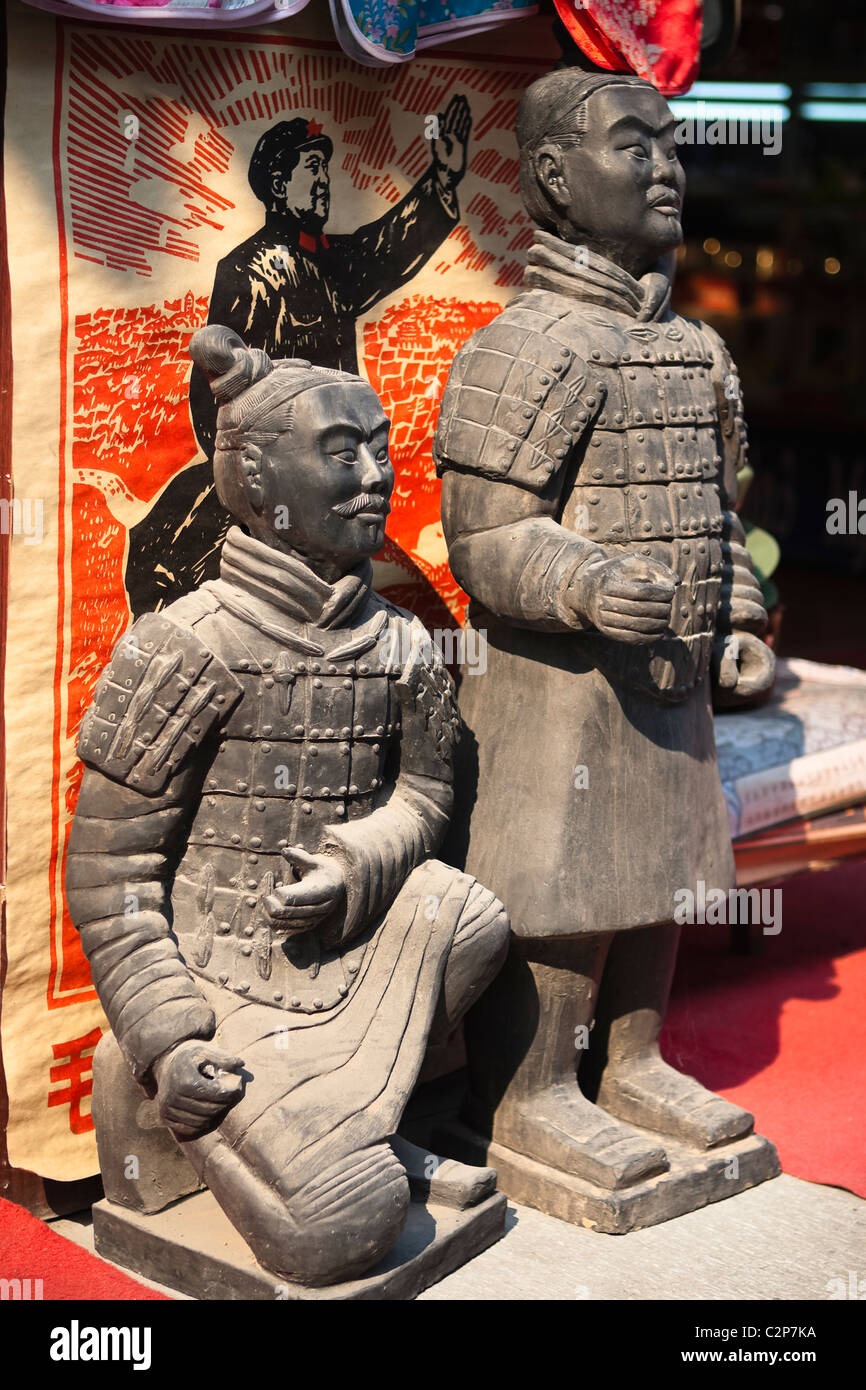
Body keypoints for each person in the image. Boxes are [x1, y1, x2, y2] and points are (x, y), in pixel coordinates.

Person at [67, 326, 508, 1286]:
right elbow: (109, 874)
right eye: (338, 453)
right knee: (345, 1229)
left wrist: (367, 857)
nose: (375, 475)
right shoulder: (184, 646)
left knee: (465, 912)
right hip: (219, 996)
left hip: (347, 970)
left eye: (381, 447)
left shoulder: (396, 641)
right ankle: (194, 1109)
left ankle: (352, 1126)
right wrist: (170, 1038)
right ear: (259, 486)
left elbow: (430, 794)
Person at [433, 70, 776, 1198]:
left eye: (671, 145)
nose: (666, 166)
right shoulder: (522, 345)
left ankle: (632, 1062)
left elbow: (716, 511)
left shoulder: (696, 350)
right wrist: (580, 580)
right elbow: (480, 538)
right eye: (634, 147)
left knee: (664, 872)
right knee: (565, 886)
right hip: (554, 694)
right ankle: (528, 1092)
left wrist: (733, 618)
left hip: (669, 684)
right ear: (549, 177)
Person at [125, 98, 472, 617]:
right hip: (266, 465)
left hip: (336, 461)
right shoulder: (246, 270)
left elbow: (389, 247)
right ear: (280, 185)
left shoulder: (332, 262)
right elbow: (211, 393)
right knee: (175, 562)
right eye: (312, 170)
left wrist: (441, 178)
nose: (325, 181)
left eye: (325, 168)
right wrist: (248, 466)